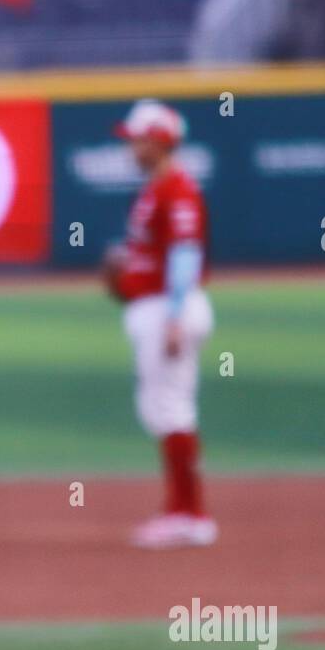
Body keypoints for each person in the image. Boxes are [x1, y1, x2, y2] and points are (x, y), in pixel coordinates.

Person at [103, 100, 217, 549]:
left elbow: (185, 252)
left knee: (171, 410)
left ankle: (188, 513)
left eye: (136, 138)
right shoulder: (159, 187)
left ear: (159, 140)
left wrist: (173, 317)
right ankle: (183, 509)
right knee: (163, 409)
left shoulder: (176, 188)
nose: (131, 145)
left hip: (170, 310)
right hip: (158, 308)